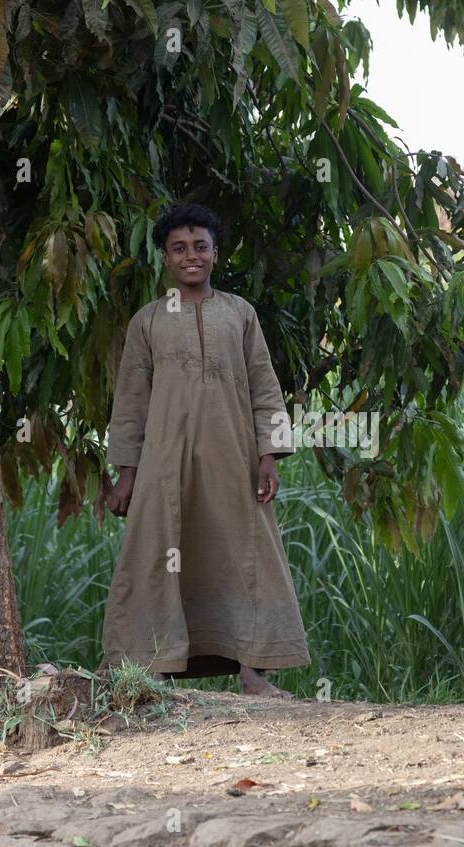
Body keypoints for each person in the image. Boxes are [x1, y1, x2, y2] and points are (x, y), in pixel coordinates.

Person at [98, 203, 310, 698]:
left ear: (216, 252)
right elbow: (130, 402)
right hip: (163, 467)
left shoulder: (240, 314)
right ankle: (155, 670)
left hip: (233, 463)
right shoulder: (147, 323)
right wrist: (127, 474)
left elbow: (264, 386)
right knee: (158, 555)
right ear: (165, 259)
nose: (190, 256)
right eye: (179, 248)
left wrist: (269, 456)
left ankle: (254, 674)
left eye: (200, 246)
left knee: (245, 556)